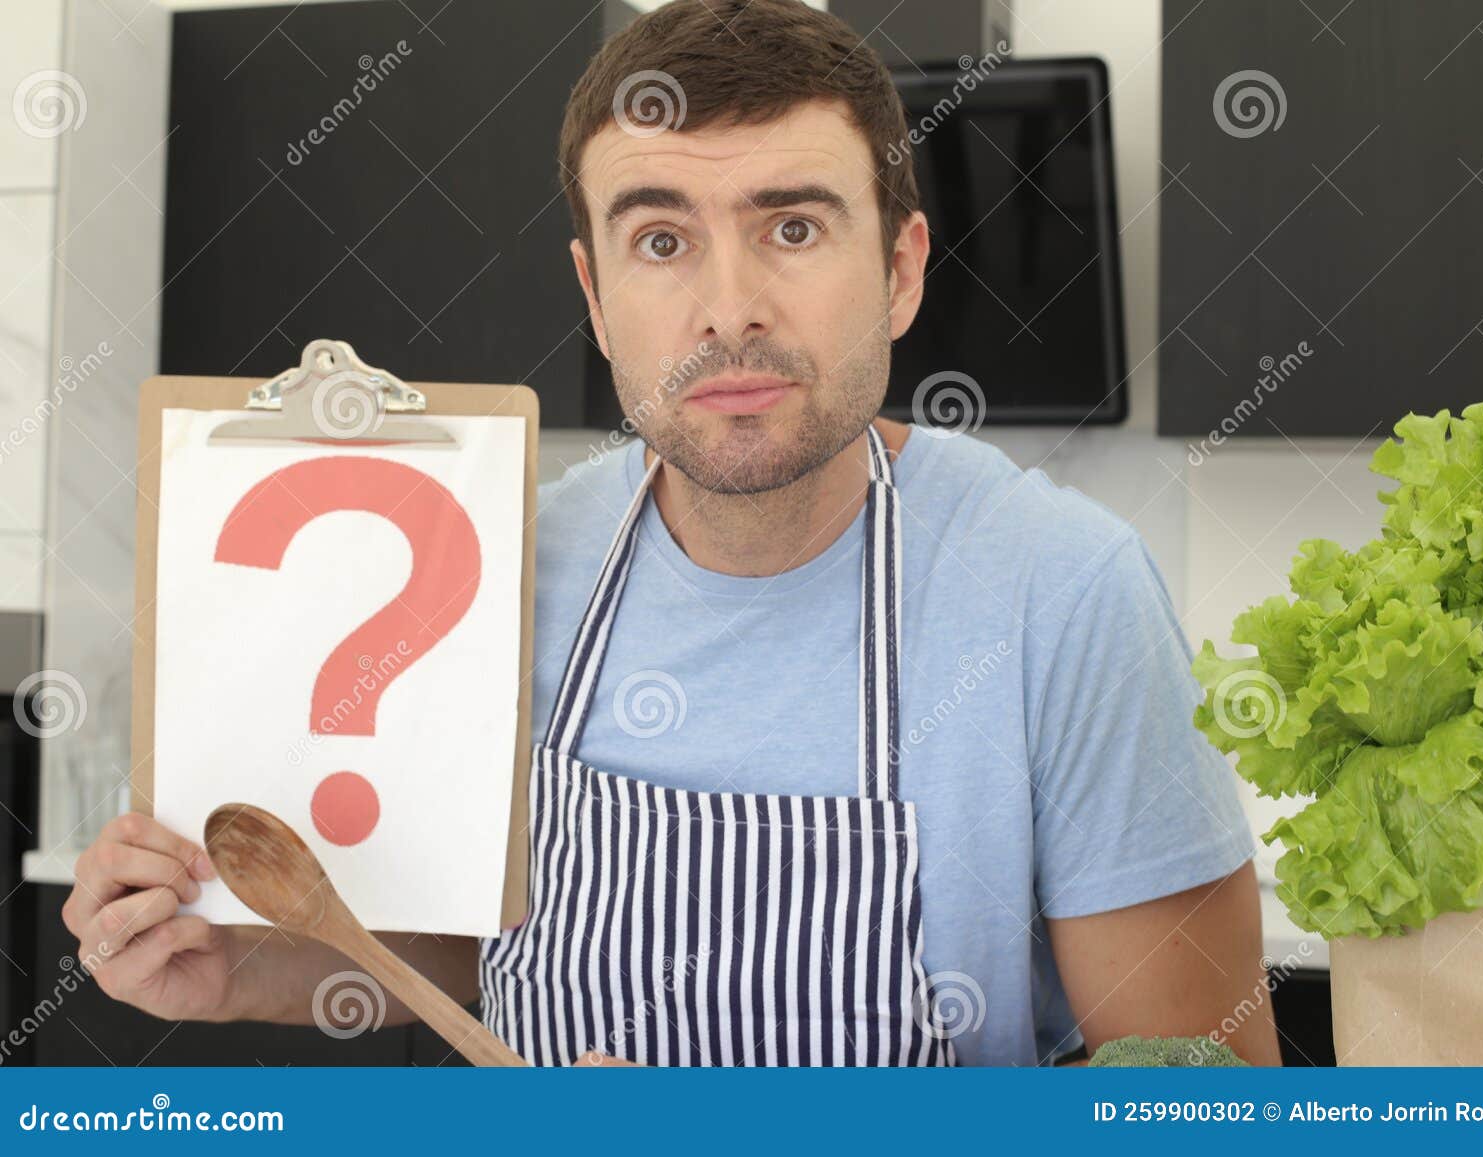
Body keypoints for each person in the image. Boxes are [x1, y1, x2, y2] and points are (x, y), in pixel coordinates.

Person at [63, 0, 1278, 1066]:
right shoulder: (505, 558)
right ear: (595, 297)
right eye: (660, 241)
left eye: (792, 228)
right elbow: (480, 945)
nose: (728, 307)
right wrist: (240, 969)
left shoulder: (1061, 596)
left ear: (902, 270)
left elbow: (1198, 1097)